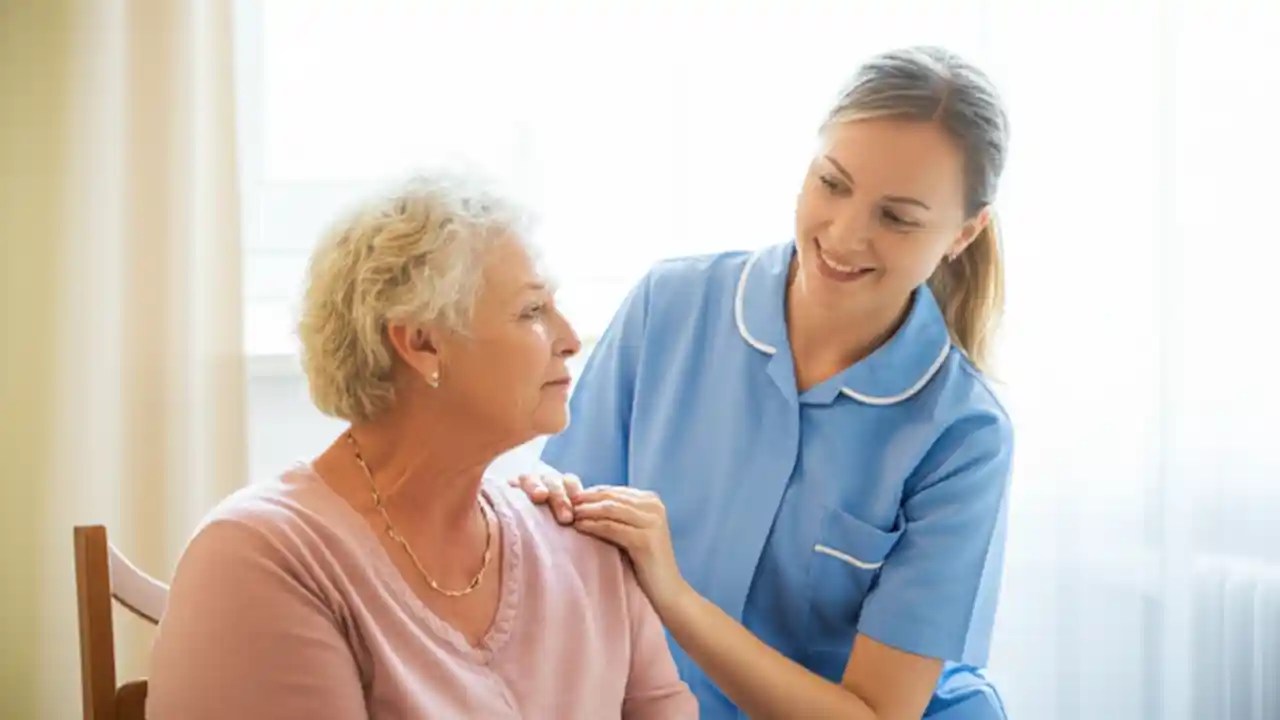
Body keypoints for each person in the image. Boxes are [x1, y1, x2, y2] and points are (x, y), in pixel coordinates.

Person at [516, 46, 1014, 719]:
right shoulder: (670, 308)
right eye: (832, 184)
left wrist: (675, 596)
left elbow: (873, 713)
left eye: (897, 218)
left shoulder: (964, 433)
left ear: (963, 234)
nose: (843, 235)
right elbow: (562, 552)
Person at [147, 175, 697, 719]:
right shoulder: (262, 558)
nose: (571, 338)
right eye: (531, 312)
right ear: (422, 343)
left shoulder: (584, 547)